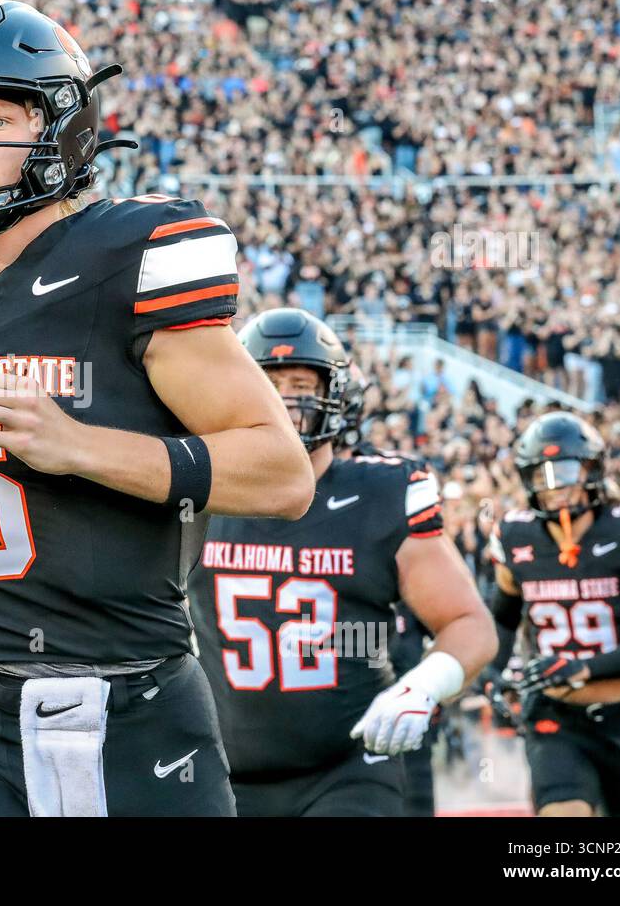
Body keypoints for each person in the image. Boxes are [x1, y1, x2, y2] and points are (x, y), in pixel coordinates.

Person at [0, 0, 314, 817]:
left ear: (61, 125)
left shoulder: (131, 255)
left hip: (138, 708)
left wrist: (82, 446)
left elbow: (280, 473)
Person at [188, 308, 496, 817]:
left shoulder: (379, 494)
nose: (285, 399)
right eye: (269, 381)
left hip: (348, 768)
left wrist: (423, 686)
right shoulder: (200, 493)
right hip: (221, 770)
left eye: (300, 382)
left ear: (335, 394)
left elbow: (470, 624)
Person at [488, 412, 620, 816]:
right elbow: (501, 623)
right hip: (555, 717)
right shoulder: (516, 537)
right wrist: (491, 678)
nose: (556, 487)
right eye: (543, 475)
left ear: (592, 470)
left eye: (566, 470)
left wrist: (582, 667)